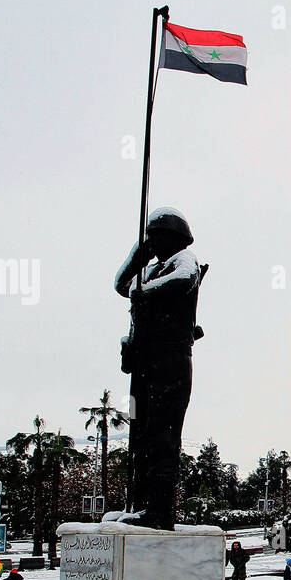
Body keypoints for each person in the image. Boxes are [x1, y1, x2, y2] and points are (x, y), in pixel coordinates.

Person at [113, 207, 205, 530]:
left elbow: (185, 280)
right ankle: (141, 505)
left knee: (163, 436)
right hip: (144, 363)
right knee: (142, 436)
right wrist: (139, 253)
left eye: (155, 236)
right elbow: (120, 284)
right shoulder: (150, 270)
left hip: (171, 360)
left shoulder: (184, 259)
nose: (152, 241)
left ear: (172, 237)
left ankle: (160, 510)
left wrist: (145, 292)